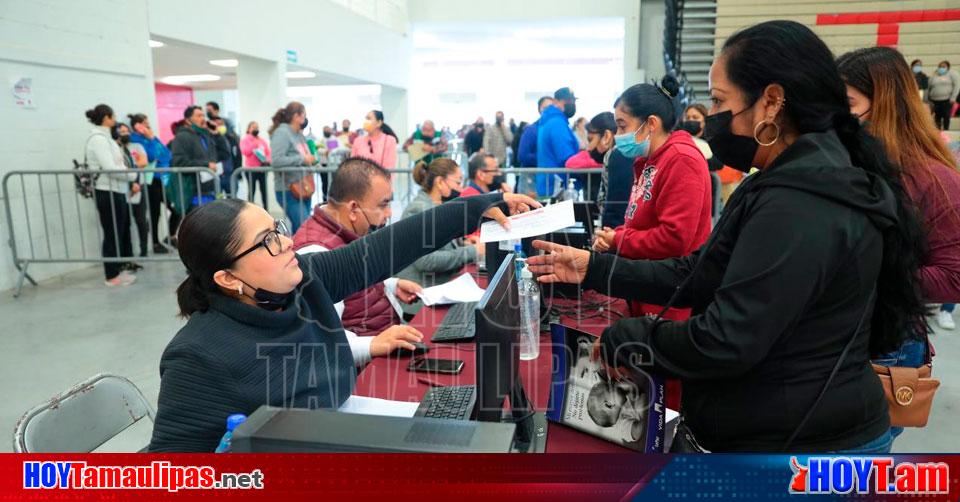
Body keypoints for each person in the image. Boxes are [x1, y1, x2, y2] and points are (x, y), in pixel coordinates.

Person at [527, 20, 928, 453]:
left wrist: (634, 336)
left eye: (720, 101)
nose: (711, 118)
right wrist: (595, 267)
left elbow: (727, 339)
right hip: (783, 427)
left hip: (801, 445)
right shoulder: (785, 181)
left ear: (771, 102)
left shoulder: (803, 202)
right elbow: (698, 273)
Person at [148, 185, 539, 452]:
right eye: (267, 242)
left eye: (277, 230)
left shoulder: (303, 280)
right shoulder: (197, 357)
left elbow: (385, 248)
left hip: (343, 428)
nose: (286, 243)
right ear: (228, 278)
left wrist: (475, 207)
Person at [838, 47, 960, 441]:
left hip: (884, 348)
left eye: (849, 104)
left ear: (884, 103)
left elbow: (953, 277)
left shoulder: (934, 179)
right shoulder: (841, 163)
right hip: (829, 338)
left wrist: (869, 275)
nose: (837, 117)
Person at [292, 157, 425, 364]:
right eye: (383, 205)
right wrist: (373, 345)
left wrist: (391, 284)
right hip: (365, 368)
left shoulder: (345, 230)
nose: (389, 214)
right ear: (353, 209)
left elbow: (348, 281)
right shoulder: (317, 251)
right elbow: (320, 338)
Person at [396, 158, 481, 316]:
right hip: (421, 300)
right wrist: (473, 251)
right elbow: (426, 261)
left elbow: (439, 243)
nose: (461, 189)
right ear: (440, 182)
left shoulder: (434, 206)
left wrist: (463, 243)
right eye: (458, 182)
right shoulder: (420, 211)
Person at [84, 105, 138, 286]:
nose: (115, 118)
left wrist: (126, 171)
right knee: (112, 233)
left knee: (119, 232)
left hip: (117, 190)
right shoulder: (98, 139)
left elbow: (118, 163)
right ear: (106, 118)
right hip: (107, 192)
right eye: (113, 115)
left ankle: (117, 270)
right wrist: (131, 174)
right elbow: (110, 166)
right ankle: (111, 275)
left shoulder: (106, 138)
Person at [128, 113, 172, 254]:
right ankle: (154, 242)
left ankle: (168, 237)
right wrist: (151, 139)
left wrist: (152, 139)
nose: (148, 126)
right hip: (149, 180)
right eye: (145, 123)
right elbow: (151, 156)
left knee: (175, 207)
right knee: (154, 212)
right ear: (137, 126)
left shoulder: (151, 137)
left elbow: (166, 154)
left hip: (161, 178)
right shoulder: (135, 140)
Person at [269, 101, 316, 233]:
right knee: (304, 226)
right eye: (304, 115)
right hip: (288, 189)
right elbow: (276, 160)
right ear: (297, 116)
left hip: (304, 186)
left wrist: (309, 160)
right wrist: (302, 159)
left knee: (301, 228)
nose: (305, 119)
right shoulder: (282, 133)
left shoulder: (299, 134)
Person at [169, 105, 218, 221]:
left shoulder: (205, 136)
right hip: (194, 192)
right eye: (199, 116)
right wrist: (206, 165)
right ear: (188, 120)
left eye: (203, 115)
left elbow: (224, 153)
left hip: (209, 189)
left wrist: (217, 134)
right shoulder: (181, 137)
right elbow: (179, 162)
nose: (203, 118)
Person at [585, 112, 633, 228]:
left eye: (591, 140)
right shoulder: (619, 154)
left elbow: (616, 204)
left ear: (606, 136)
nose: (588, 147)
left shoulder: (617, 155)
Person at [536, 87, 581, 196]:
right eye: (567, 101)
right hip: (557, 187)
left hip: (548, 183)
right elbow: (566, 157)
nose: (571, 104)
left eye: (573, 101)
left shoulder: (548, 121)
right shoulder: (557, 124)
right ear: (556, 101)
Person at [116, 123, 149, 263]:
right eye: (121, 132)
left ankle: (144, 250)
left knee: (141, 220)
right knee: (125, 223)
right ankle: (126, 254)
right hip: (123, 188)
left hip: (139, 186)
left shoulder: (137, 146)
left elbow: (143, 162)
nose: (125, 134)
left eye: (126, 131)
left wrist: (128, 166)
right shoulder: (116, 149)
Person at [683, 103, 723, 220]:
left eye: (695, 118)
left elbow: (718, 163)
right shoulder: (678, 138)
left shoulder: (712, 141)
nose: (690, 120)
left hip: (706, 200)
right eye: (688, 117)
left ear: (704, 120)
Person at [517, 97, 554, 196]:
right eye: (547, 107)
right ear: (540, 109)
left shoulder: (552, 129)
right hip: (531, 178)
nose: (550, 110)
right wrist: (543, 158)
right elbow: (522, 155)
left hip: (546, 179)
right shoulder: (532, 130)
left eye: (553, 107)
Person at [239, 121, 270, 207]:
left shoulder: (262, 140)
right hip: (250, 170)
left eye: (257, 127)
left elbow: (268, 153)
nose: (256, 129)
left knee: (264, 191)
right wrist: (254, 144)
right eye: (254, 127)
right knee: (251, 191)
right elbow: (245, 152)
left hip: (262, 169)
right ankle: (250, 210)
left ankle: (266, 210)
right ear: (249, 129)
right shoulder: (244, 140)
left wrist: (267, 160)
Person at [929, 61, 959, 131]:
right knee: (937, 117)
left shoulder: (952, 74)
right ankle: (938, 132)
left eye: (943, 67)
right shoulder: (934, 75)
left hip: (946, 100)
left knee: (946, 116)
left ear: (948, 68)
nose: (941, 68)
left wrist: (953, 97)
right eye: (940, 67)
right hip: (935, 100)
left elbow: (957, 86)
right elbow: (929, 86)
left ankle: (946, 131)